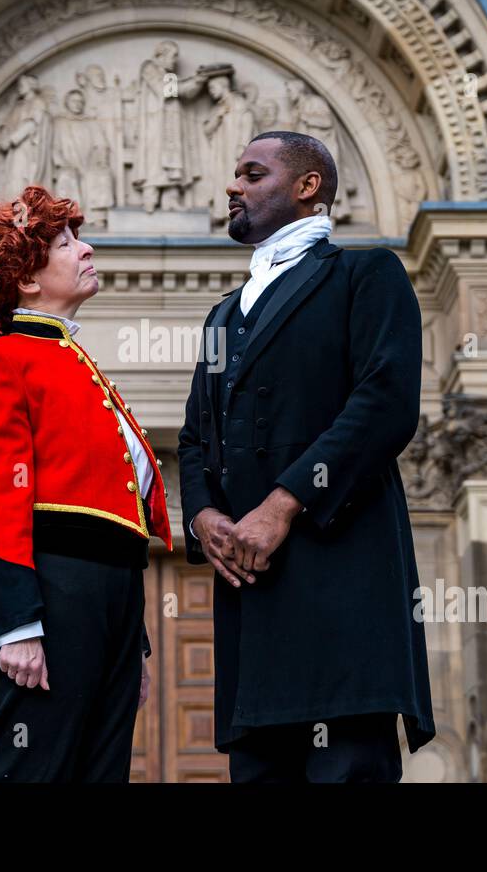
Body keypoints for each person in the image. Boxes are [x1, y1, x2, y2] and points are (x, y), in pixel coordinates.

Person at [177, 130, 435, 782]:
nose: (232, 186)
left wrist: (283, 504)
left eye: (251, 173)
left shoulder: (365, 275)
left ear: (306, 186)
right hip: (252, 605)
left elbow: (385, 402)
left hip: (342, 593)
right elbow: (193, 439)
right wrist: (204, 514)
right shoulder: (221, 318)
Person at [0, 184, 174, 782]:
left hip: (113, 595)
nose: (85, 249)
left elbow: (116, 518)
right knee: (32, 771)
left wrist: (137, 645)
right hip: (52, 595)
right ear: (27, 279)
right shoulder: (1, 360)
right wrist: (18, 625)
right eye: (65, 243)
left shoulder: (73, 359)